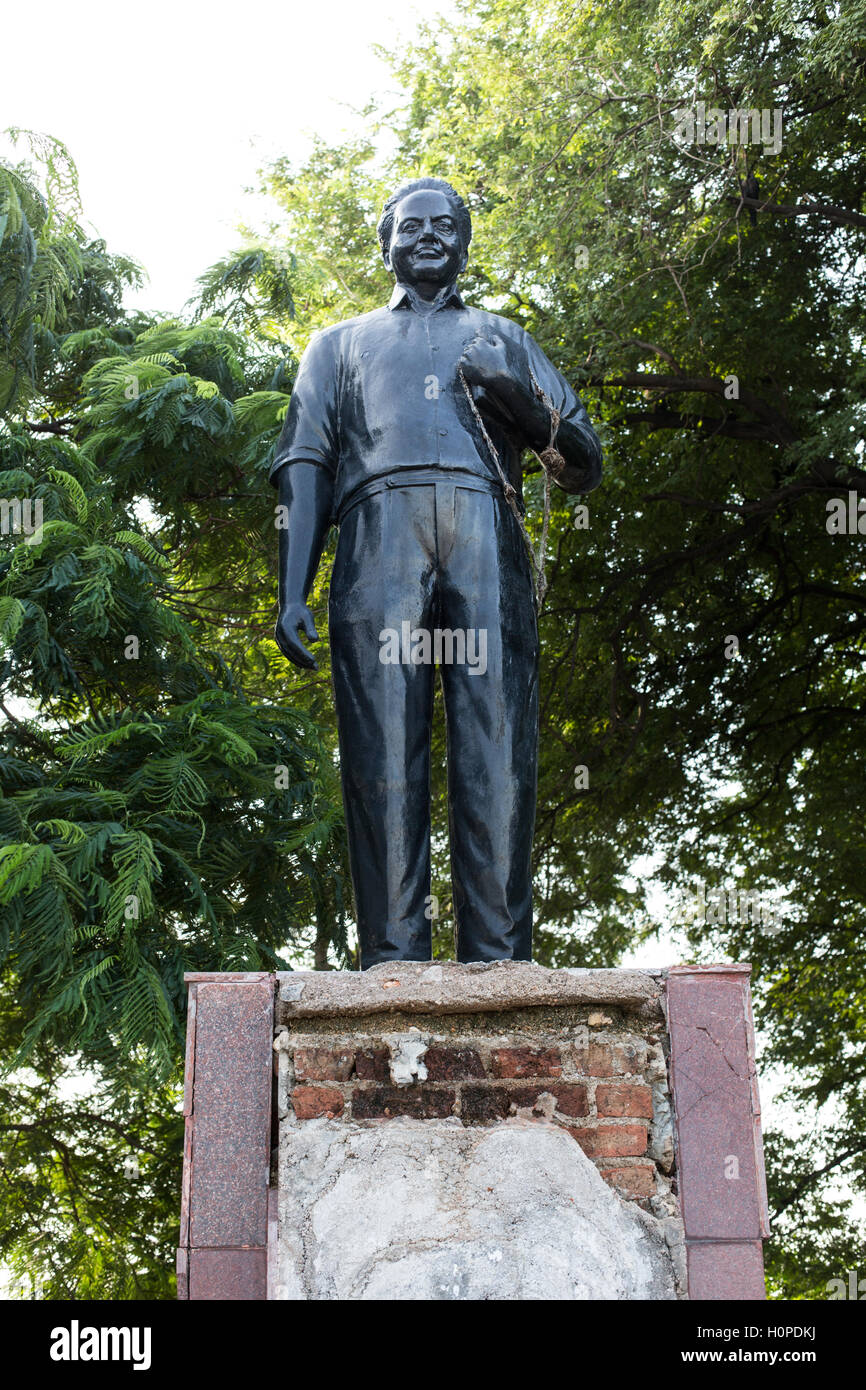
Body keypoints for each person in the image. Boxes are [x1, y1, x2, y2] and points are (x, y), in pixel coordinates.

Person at [270, 176, 602, 968]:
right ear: (383, 240)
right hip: (377, 541)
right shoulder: (339, 345)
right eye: (410, 225)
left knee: (498, 745)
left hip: (485, 536)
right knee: (382, 752)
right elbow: (305, 464)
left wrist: (520, 399)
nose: (427, 236)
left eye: (444, 224)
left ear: (464, 241)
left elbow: (582, 466)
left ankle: (500, 958)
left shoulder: (503, 336)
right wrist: (293, 589)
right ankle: (392, 960)